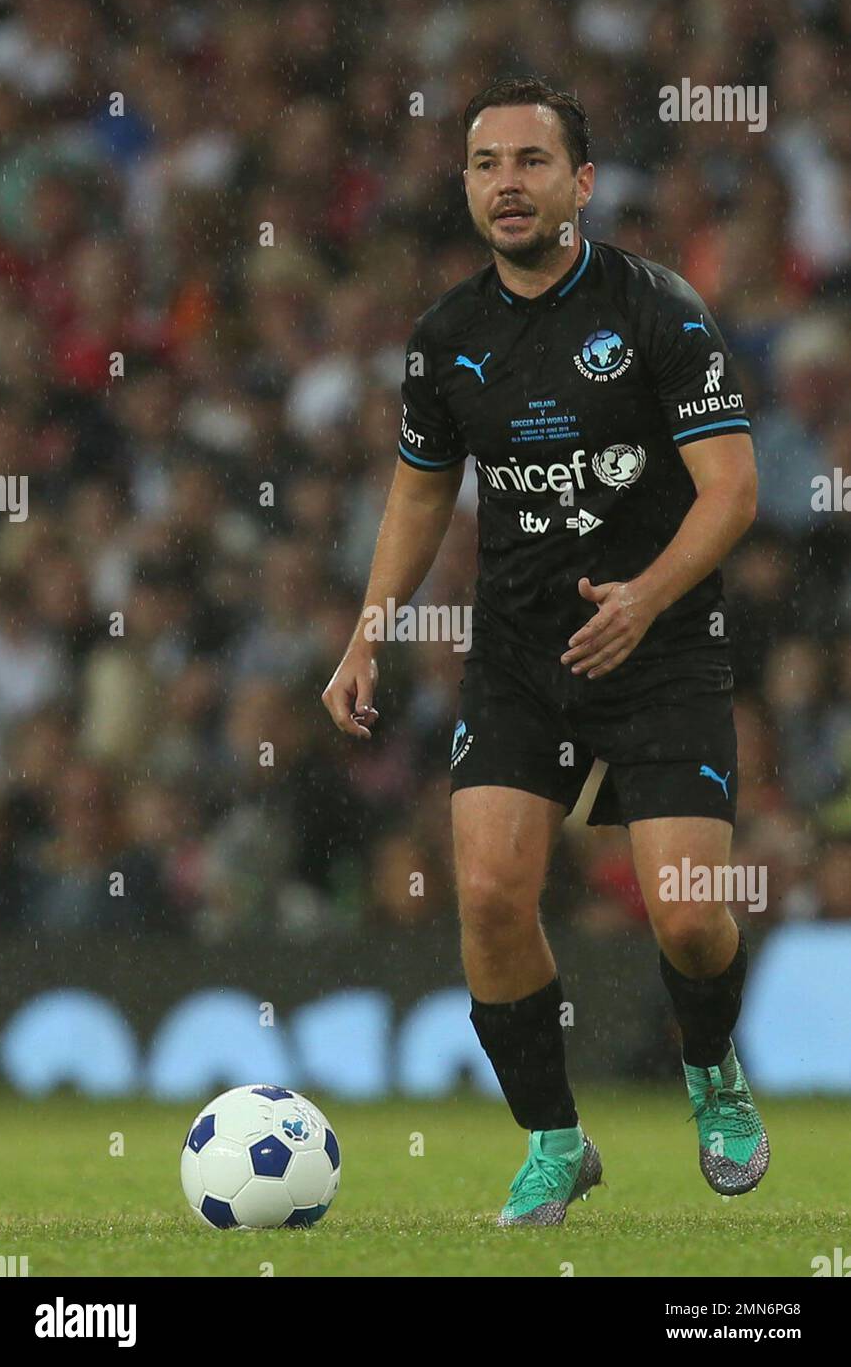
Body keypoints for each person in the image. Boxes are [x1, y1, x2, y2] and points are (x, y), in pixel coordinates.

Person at [322, 76, 766, 1227]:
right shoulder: (444, 340)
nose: (504, 184)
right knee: (486, 893)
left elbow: (731, 492)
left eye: (528, 162)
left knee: (685, 915)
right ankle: (554, 1141)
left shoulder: (658, 311)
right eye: (483, 165)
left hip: (661, 645)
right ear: (465, 186)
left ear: (579, 183)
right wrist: (367, 633)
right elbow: (419, 501)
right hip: (520, 655)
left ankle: (710, 1069)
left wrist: (646, 593)